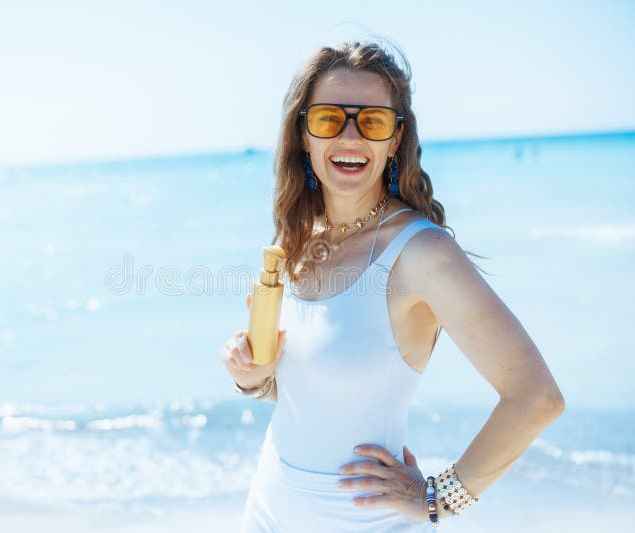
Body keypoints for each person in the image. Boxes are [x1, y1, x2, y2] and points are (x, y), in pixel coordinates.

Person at [220, 41, 565, 532]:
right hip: (265, 511)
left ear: (395, 139)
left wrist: (439, 499)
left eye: (373, 122)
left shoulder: (422, 254)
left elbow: (536, 397)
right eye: (328, 119)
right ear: (303, 135)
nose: (350, 136)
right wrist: (251, 374)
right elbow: (316, 392)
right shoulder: (298, 240)